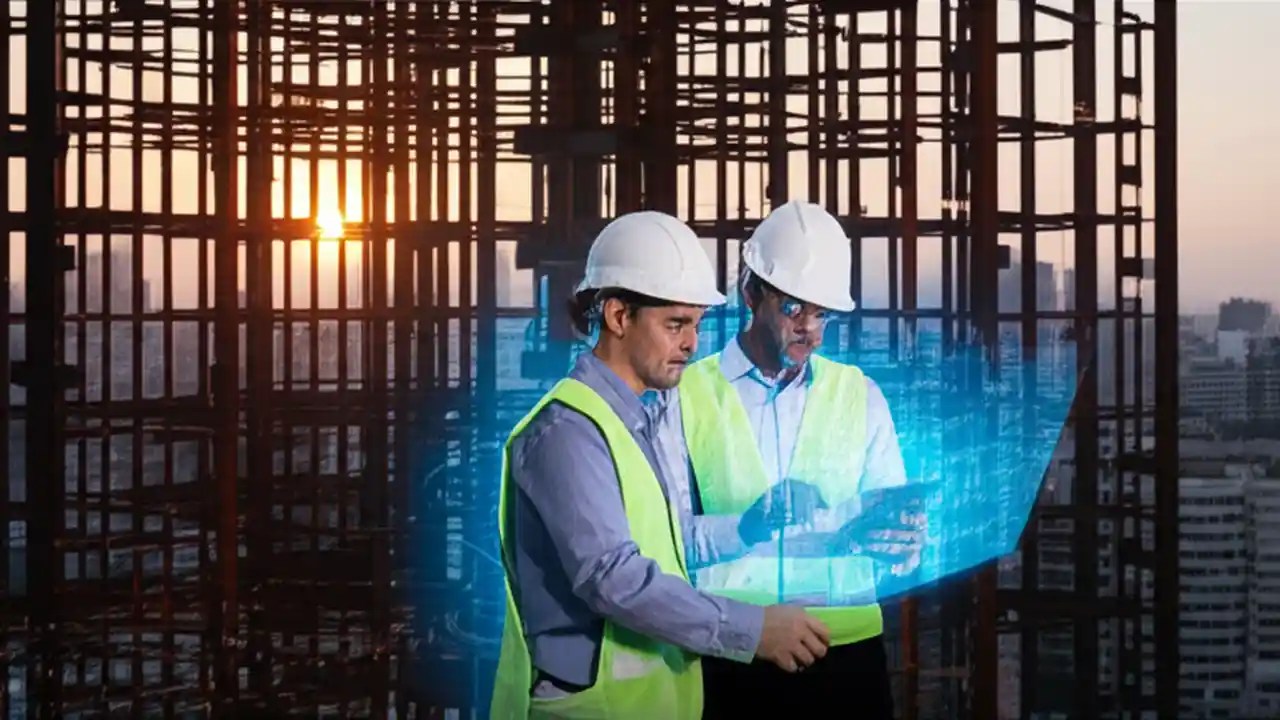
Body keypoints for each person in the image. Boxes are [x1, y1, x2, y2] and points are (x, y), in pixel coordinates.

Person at [489, 210, 833, 720]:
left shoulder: (637, 420)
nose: (693, 344)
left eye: (695, 324)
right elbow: (613, 577)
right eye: (676, 324)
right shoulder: (568, 433)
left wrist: (747, 526)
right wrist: (753, 630)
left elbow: (668, 547)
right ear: (618, 316)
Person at [662, 200, 924, 718]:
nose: (810, 328)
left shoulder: (860, 395)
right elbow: (665, 542)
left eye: (821, 312)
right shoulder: (684, 396)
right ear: (751, 293)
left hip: (847, 664)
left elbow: (898, 540)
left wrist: (904, 547)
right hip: (737, 654)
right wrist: (751, 523)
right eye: (793, 308)